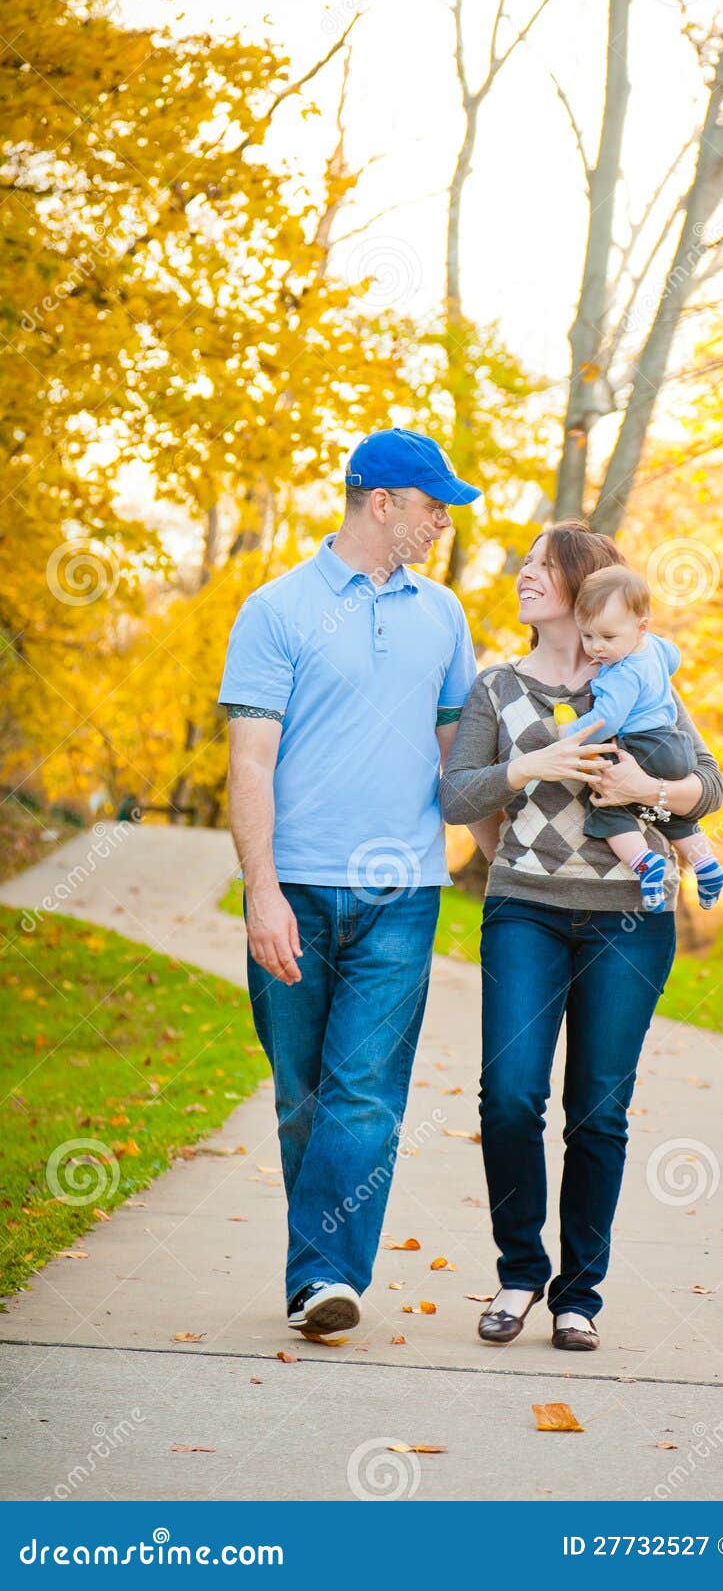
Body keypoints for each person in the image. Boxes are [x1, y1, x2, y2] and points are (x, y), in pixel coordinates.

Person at [218, 428, 491, 1339]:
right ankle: (318, 1270)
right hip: (295, 884)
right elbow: (250, 762)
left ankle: (326, 1278)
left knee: (364, 1089)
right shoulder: (275, 609)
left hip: (403, 892)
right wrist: (259, 890)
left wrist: (497, 849)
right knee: (303, 1094)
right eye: (432, 508)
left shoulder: (443, 615)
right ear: (382, 503)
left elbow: (461, 753)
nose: (441, 525)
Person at [439, 521, 723, 1353]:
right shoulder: (498, 689)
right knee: (511, 1097)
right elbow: (457, 799)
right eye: (523, 563)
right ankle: (519, 1275)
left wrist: (652, 788)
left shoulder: (642, 679)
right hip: (524, 910)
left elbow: (706, 783)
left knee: (598, 1111)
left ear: (584, 583)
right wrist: (528, 768)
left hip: (630, 924)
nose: (523, 574)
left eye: (540, 564)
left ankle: (580, 1297)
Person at [563, 562, 723, 913]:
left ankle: (644, 862)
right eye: (588, 636)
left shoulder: (621, 674)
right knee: (673, 816)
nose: (596, 648)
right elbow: (674, 659)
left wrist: (569, 734)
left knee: (608, 804)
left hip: (641, 747)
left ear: (641, 627)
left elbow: (606, 722)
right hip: (675, 746)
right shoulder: (653, 647)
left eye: (608, 638)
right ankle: (706, 864)